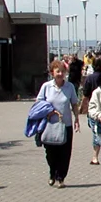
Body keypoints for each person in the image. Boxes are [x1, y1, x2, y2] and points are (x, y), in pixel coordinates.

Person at [36, 60, 80, 188]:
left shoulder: (69, 87)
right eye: (58, 71)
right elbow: (39, 103)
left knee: (65, 153)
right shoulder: (46, 87)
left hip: (65, 125)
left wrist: (77, 118)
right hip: (49, 125)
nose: (60, 74)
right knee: (50, 153)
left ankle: (61, 177)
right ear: (52, 73)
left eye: (63, 71)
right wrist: (48, 112)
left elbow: (74, 104)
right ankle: (52, 173)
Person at [80, 57, 101, 165]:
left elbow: (85, 95)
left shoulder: (89, 78)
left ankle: (95, 156)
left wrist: (81, 108)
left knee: (96, 132)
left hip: (93, 108)